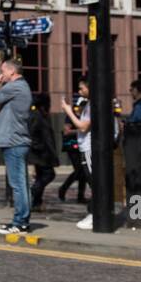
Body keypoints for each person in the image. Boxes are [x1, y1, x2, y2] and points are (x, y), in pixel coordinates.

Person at [0, 60, 33, 234]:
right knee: (20, 183)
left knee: (18, 184)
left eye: (2, 71)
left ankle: (20, 222)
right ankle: (21, 220)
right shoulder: (19, 88)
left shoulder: (14, 87)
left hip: (14, 141)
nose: (0, 74)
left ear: (12, 71)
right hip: (16, 140)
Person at [60, 78, 95, 229]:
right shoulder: (89, 105)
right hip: (85, 147)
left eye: (81, 88)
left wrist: (68, 110)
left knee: (93, 181)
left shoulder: (92, 105)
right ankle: (95, 213)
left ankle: (95, 214)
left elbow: (82, 127)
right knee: (89, 178)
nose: (79, 92)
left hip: (88, 147)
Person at [28, 92, 59, 212]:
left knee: (40, 176)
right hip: (42, 153)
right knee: (49, 175)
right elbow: (34, 134)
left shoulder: (39, 114)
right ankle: (33, 191)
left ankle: (37, 203)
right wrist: (39, 147)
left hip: (42, 152)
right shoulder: (37, 116)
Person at [58, 90, 89, 205]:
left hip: (80, 145)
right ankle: (63, 189)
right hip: (71, 146)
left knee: (82, 172)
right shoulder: (71, 117)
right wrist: (80, 130)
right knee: (79, 170)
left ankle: (80, 196)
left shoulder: (84, 117)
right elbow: (66, 132)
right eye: (81, 106)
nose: (82, 108)